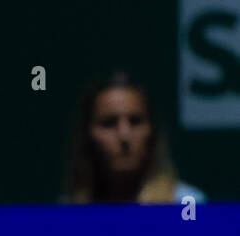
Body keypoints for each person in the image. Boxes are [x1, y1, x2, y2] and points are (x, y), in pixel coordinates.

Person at [63, 71, 206, 204]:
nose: (124, 135)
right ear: (87, 133)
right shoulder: (67, 212)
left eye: (135, 121)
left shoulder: (188, 205)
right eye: (109, 123)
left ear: (152, 131)